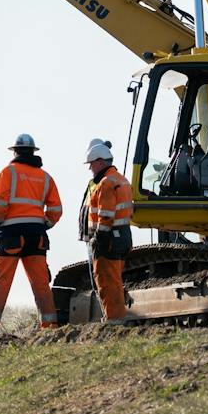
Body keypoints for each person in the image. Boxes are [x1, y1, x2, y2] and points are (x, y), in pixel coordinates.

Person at [0, 133, 64, 344]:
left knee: (0, 282)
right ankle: (50, 331)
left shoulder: (8, 173)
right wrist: (44, 224)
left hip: (11, 235)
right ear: (33, 152)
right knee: (41, 283)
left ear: (14, 151)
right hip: (37, 236)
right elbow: (56, 210)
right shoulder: (45, 177)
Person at [81, 139, 134, 324]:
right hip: (122, 236)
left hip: (108, 238)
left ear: (101, 162)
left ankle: (114, 321)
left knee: (106, 281)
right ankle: (115, 317)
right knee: (115, 280)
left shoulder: (106, 183)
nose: (90, 168)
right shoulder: (122, 180)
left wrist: (100, 239)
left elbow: (105, 216)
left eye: (92, 164)